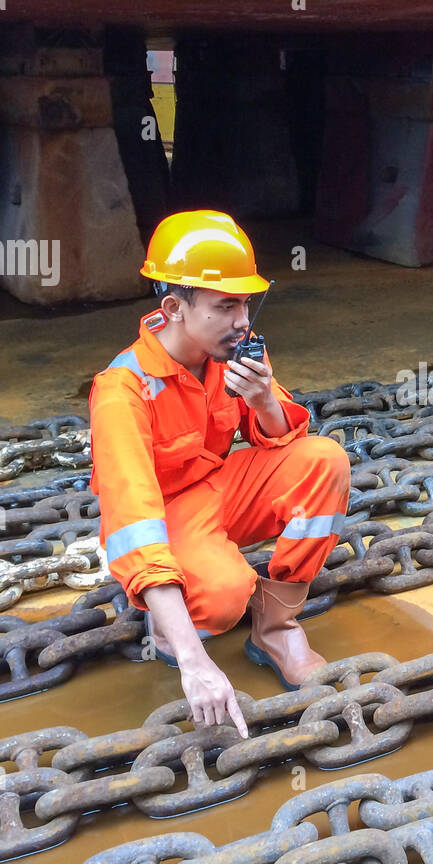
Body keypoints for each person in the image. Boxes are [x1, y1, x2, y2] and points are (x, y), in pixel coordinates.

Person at [88, 209, 351, 732]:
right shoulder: (124, 391)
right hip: (163, 519)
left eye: (246, 302)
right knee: (223, 596)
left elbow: (280, 442)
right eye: (225, 305)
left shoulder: (232, 351)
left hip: (218, 489)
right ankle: (168, 629)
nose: (242, 319)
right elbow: (132, 519)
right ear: (173, 308)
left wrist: (264, 400)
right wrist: (194, 662)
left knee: (324, 461)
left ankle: (276, 627)